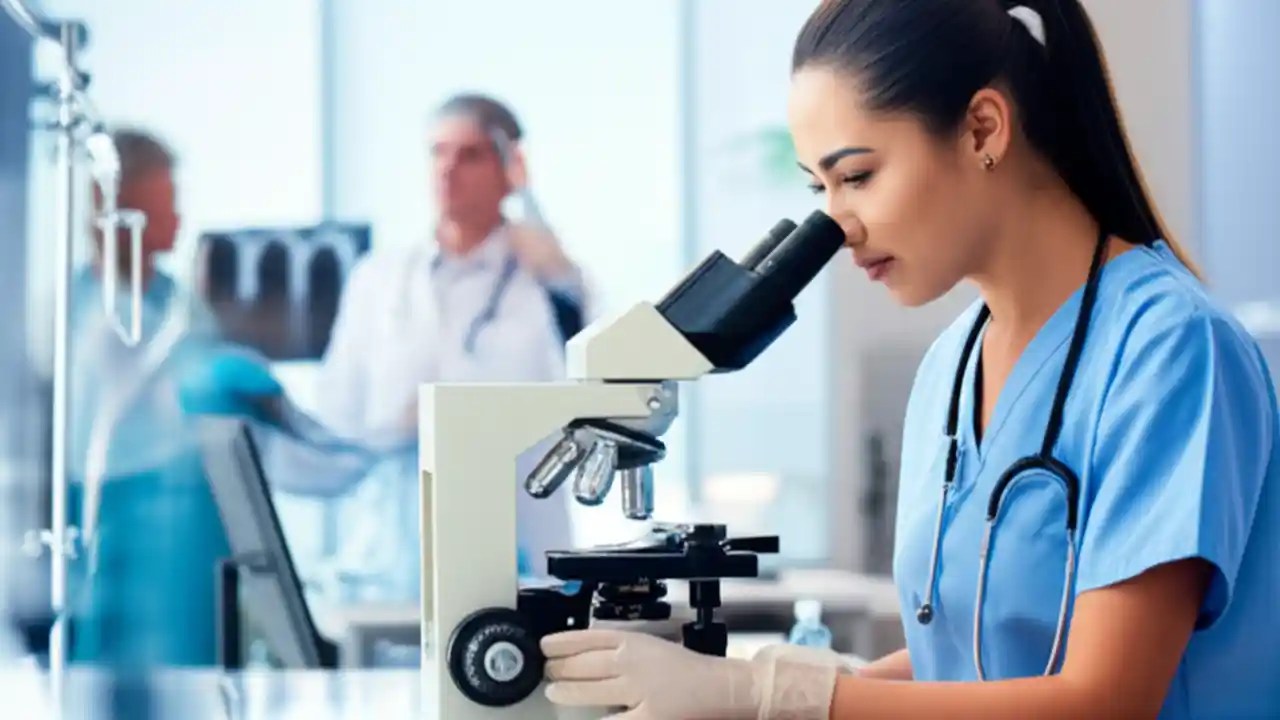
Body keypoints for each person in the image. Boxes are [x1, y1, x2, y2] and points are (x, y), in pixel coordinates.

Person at [539, 1, 1280, 718]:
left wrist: (777, 698)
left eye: (856, 176)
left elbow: (1104, 700)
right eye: (819, 189)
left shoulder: (1172, 349)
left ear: (983, 128)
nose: (839, 227)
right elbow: (968, 658)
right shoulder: (951, 367)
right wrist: (777, 682)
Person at [313, 93, 588, 595]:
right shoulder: (378, 280)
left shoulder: (547, 279)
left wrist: (540, 228)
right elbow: (338, 419)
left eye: (470, 155)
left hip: (519, 552)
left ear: (511, 166)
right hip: (394, 561)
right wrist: (396, 427)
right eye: (438, 153)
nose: (447, 170)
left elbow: (591, 384)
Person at [66, 128, 249, 667]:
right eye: (167, 201)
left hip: (198, 523)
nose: (181, 218)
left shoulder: (178, 302)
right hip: (125, 522)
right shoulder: (86, 313)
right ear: (126, 212)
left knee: (199, 662)